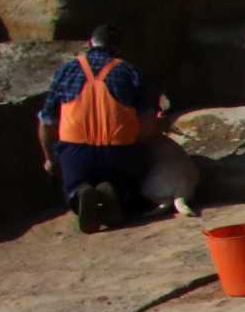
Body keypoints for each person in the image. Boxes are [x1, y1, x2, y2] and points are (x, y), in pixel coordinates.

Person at [37, 25, 171, 233]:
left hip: (75, 152)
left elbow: (47, 122)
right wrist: (142, 142)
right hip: (119, 152)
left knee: (72, 187)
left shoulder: (67, 71)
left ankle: (79, 192)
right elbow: (148, 124)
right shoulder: (131, 72)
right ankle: (117, 193)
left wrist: (49, 158)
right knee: (130, 185)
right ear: (120, 49)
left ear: (90, 43)